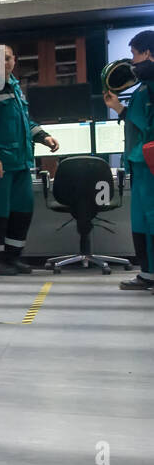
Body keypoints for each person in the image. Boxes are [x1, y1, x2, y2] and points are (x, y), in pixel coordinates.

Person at [0, 44, 59, 275]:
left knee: (22, 211)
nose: (4, 63)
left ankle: (11, 258)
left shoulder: (16, 88)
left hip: (20, 163)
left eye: (7, 58)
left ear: (14, 60)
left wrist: (44, 136)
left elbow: (25, 121)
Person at [104, 29, 154, 291]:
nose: (132, 62)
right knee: (143, 221)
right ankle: (148, 273)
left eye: (135, 55)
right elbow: (139, 124)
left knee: (152, 218)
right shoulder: (144, 89)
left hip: (151, 164)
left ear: (148, 53)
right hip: (140, 163)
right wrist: (118, 108)